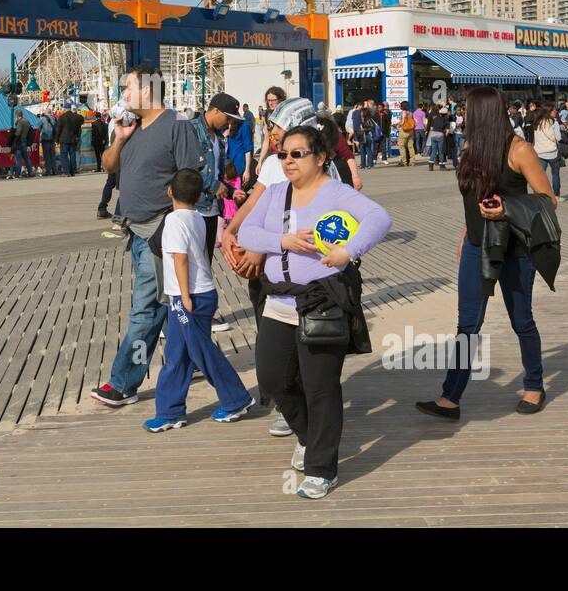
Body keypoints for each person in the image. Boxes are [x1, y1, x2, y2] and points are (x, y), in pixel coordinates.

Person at [237, 124, 392, 499]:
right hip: (278, 302)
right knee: (274, 380)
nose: (287, 161)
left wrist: (348, 251)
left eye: (297, 154)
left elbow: (380, 219)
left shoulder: (335, 192)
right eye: (283, 154)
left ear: (320, 157)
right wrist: (282, 241)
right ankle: (308, 437)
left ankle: (322, 468)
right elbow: (246, 234)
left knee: (321, 387)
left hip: (322, 303)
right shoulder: (275, 194)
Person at [416, 86, 556, 422]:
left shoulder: (519, 149)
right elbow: (473, 199)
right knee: (468, 324)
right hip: (477, 247)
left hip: (515, 249)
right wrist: (468, 230)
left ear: (482, 113)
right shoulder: (469, 148)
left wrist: (505, 208)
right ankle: (451, 398)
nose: (462, 113)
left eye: (467, 109)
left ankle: (534, 385)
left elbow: (548, 199)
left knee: (521, 320)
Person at [90, 64, 203, 407]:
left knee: (145, 310)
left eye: (127, 87)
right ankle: (192, 359)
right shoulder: (131, 127)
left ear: (148, 90)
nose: (123, 93)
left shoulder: (177, 126)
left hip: (159, 232)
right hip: (134, 232)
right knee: (165, 306)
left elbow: (190, 178)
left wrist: (174, 228)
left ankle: (124, 383)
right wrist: (120, 139)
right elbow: (109, 166)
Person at [144, 168, 254, 432]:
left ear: (170, 191)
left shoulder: (173, 221)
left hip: (188, 295)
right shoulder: (197, 217)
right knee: (177, 353)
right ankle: (170, 411)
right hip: (196, 293)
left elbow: (179, 258)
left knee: (201, 351)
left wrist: (183, 296)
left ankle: (236, 398)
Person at [188, 93, 242, 332]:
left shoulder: (219, 138)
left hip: (211, 210)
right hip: (193, 208)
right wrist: (212, 186)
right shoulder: (191, 130)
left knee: (204, 263)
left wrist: (231, 192)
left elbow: (218, 176)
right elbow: (186, 168)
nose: (228, 124)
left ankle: (199, 315)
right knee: (193, 264)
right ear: (216, 111)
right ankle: (196, 316)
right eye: (227, 119)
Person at [531, 104, 563, 202]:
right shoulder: (554, 123)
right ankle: (556, 195)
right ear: (549, 112)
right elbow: (558, 138)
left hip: (539, 152)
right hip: (552, 152)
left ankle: (539, 194)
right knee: (555, 174)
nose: (556, 112)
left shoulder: (537, 122)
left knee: (540, 175)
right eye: (554, 111)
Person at [56, 105, 83, 177]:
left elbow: (58, 129)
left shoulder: (62, 117)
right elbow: (78, 128)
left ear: (64, 109)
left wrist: (57, 140)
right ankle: (72, 171)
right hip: (73, 139)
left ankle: (66, 172)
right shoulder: (76, 117)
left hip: (64, 139)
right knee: (72, 155)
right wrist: (77, 136)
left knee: (64, 156)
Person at [12, 110, 35, 178]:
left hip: (19, 142)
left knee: (18, 159)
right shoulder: (27, 121)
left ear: (17, 115)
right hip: (25, 140)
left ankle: (17, 174)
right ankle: (30, 172)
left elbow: (18, 133)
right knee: (26, 158)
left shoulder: (20, 122)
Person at [426, 105, 448, 171]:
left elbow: (430, 125)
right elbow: (444, 128)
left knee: (434, 151)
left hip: (433, 134)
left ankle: (430, 166)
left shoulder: (433, 117)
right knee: (440, 151)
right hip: (439, 135)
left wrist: (427, 131)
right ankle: (442, 166)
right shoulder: (443, 119)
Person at [396, 102, 415, 166]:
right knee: (410, 147)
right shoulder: (410, 113)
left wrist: (397, 124)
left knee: (401, 146)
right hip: (411, 131)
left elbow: (403, 122)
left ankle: (404, 162)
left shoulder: (403, 112)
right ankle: (412, 161)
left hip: (404, 131)